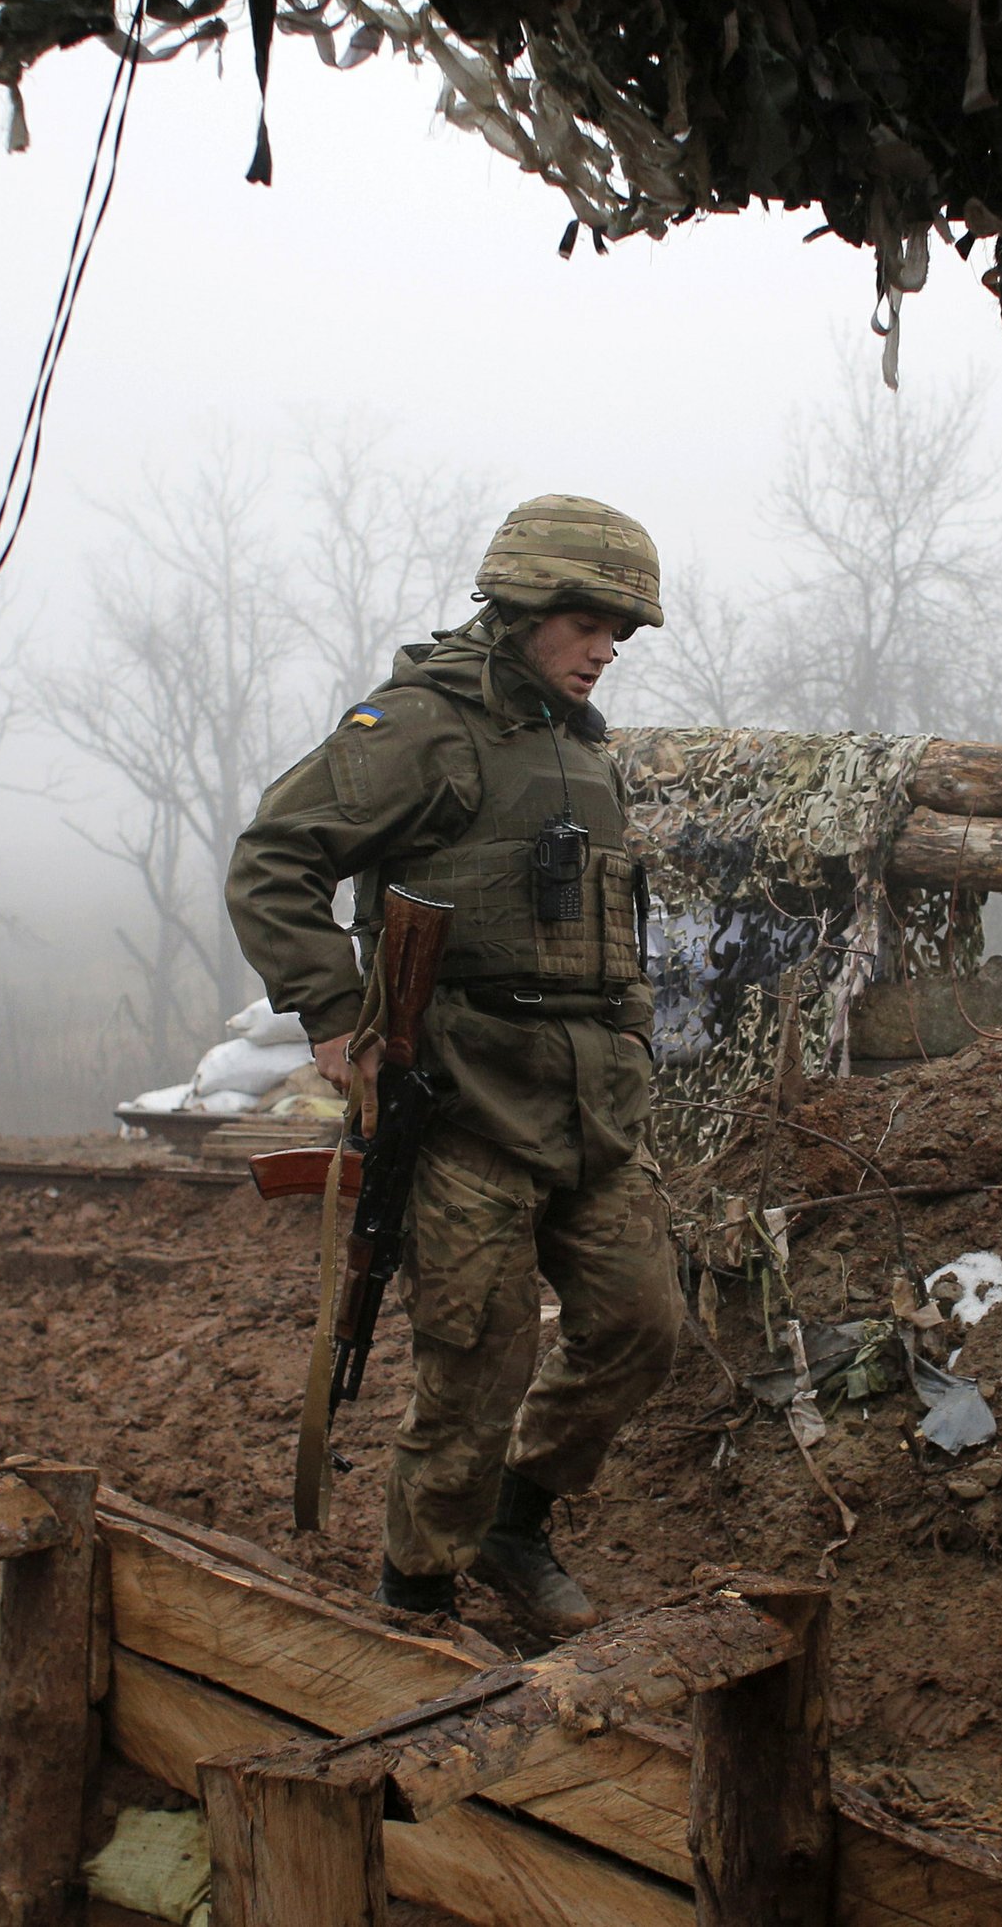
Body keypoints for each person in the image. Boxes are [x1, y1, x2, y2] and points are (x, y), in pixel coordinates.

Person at [225, 494, 677, 1636]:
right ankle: (417, 1596)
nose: (606, 647)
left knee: (639, 1325)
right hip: (465, 1098)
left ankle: (516, 1529)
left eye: (621, 628)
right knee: (475, 1364)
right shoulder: (426, 726)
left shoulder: (579, 743)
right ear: (525, 606)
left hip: (593, 1107)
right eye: (588, 621)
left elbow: (605, 923)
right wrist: (334, 1018)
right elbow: (275, 860)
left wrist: (630, 1034)